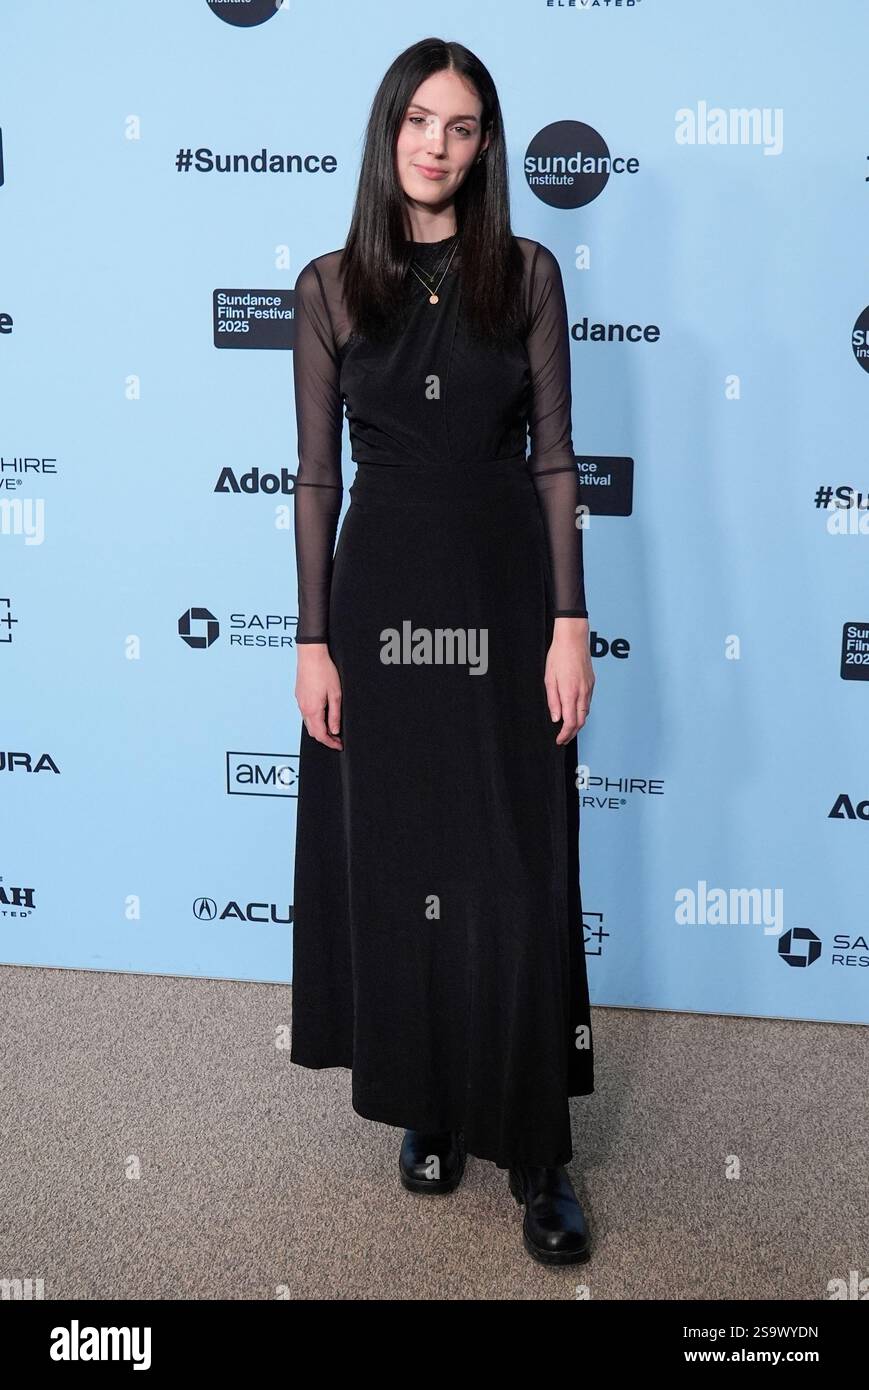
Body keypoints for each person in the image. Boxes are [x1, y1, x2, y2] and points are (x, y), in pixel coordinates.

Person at [290, 36, 596, 1268]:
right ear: (387, 131)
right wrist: (312, 640)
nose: (436, 142)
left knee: (515, 867)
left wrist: (569, 621)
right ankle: (425, 1096)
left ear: (483, 147)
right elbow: (316, 478)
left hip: (505, 595)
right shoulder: (328, 286)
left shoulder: (522, 273)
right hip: (377, 599)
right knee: (400, 855)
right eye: (420, 119)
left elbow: (556, 462)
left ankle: (538, 1150)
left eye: (462, 126)